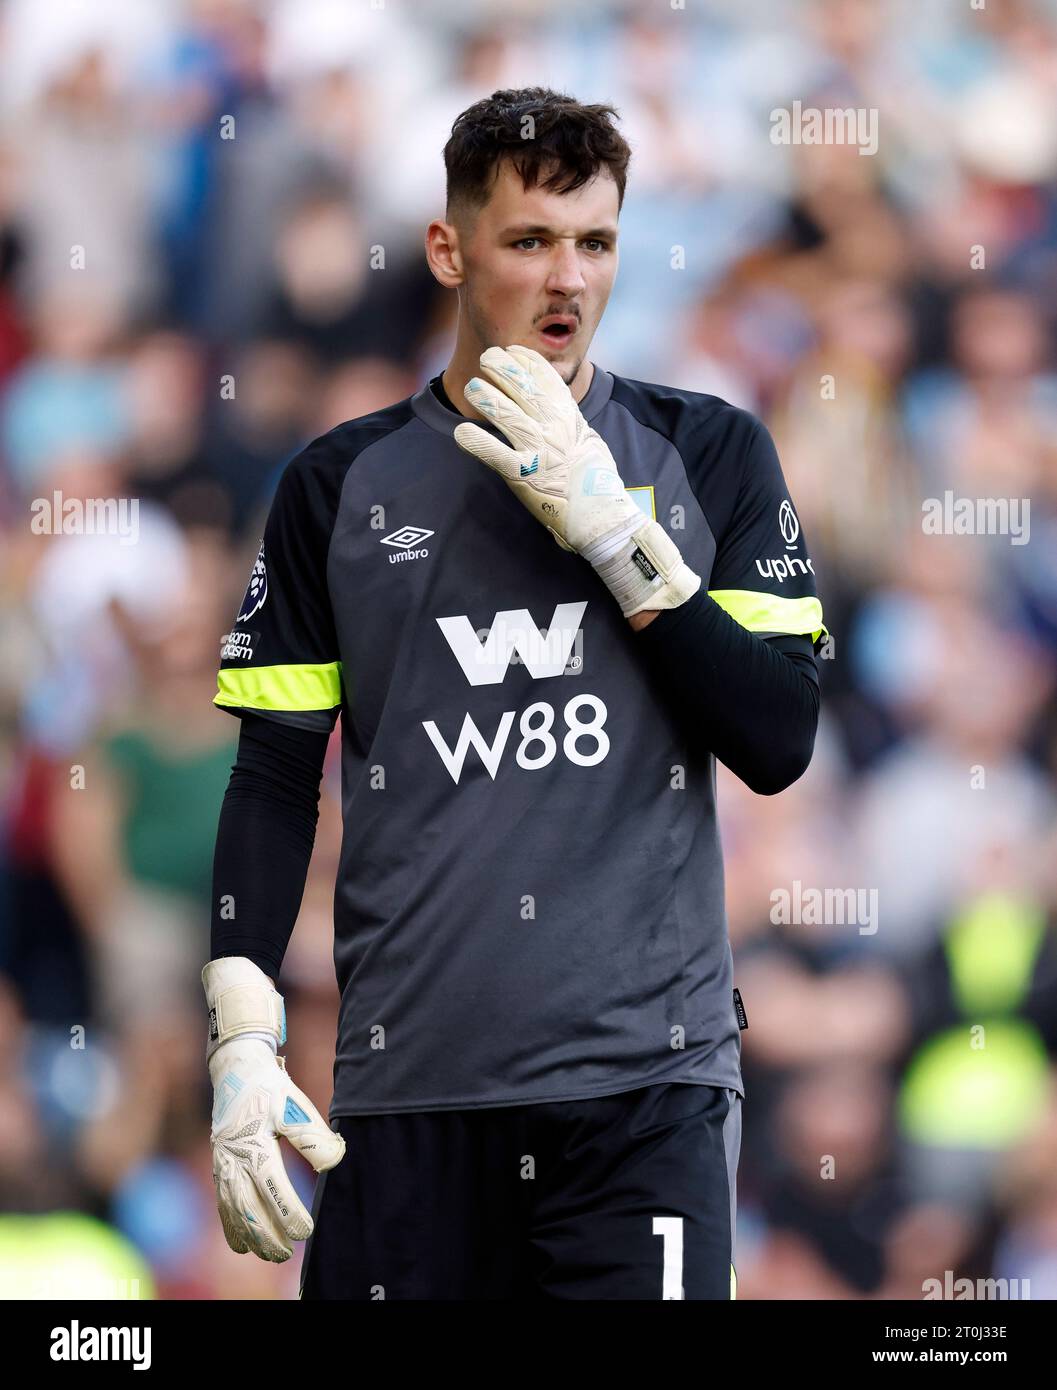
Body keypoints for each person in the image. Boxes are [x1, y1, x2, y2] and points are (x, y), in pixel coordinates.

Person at [203, 87, 826, 1301]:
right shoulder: (338, 486)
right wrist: (241, 1014)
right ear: (449, 249)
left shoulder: (707, 452)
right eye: (529, 240)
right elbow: (274, 773)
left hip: (645, 1094)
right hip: (411, 1088)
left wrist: (621, 542)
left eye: (593, 242)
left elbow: (776, 734)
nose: (567, 280)